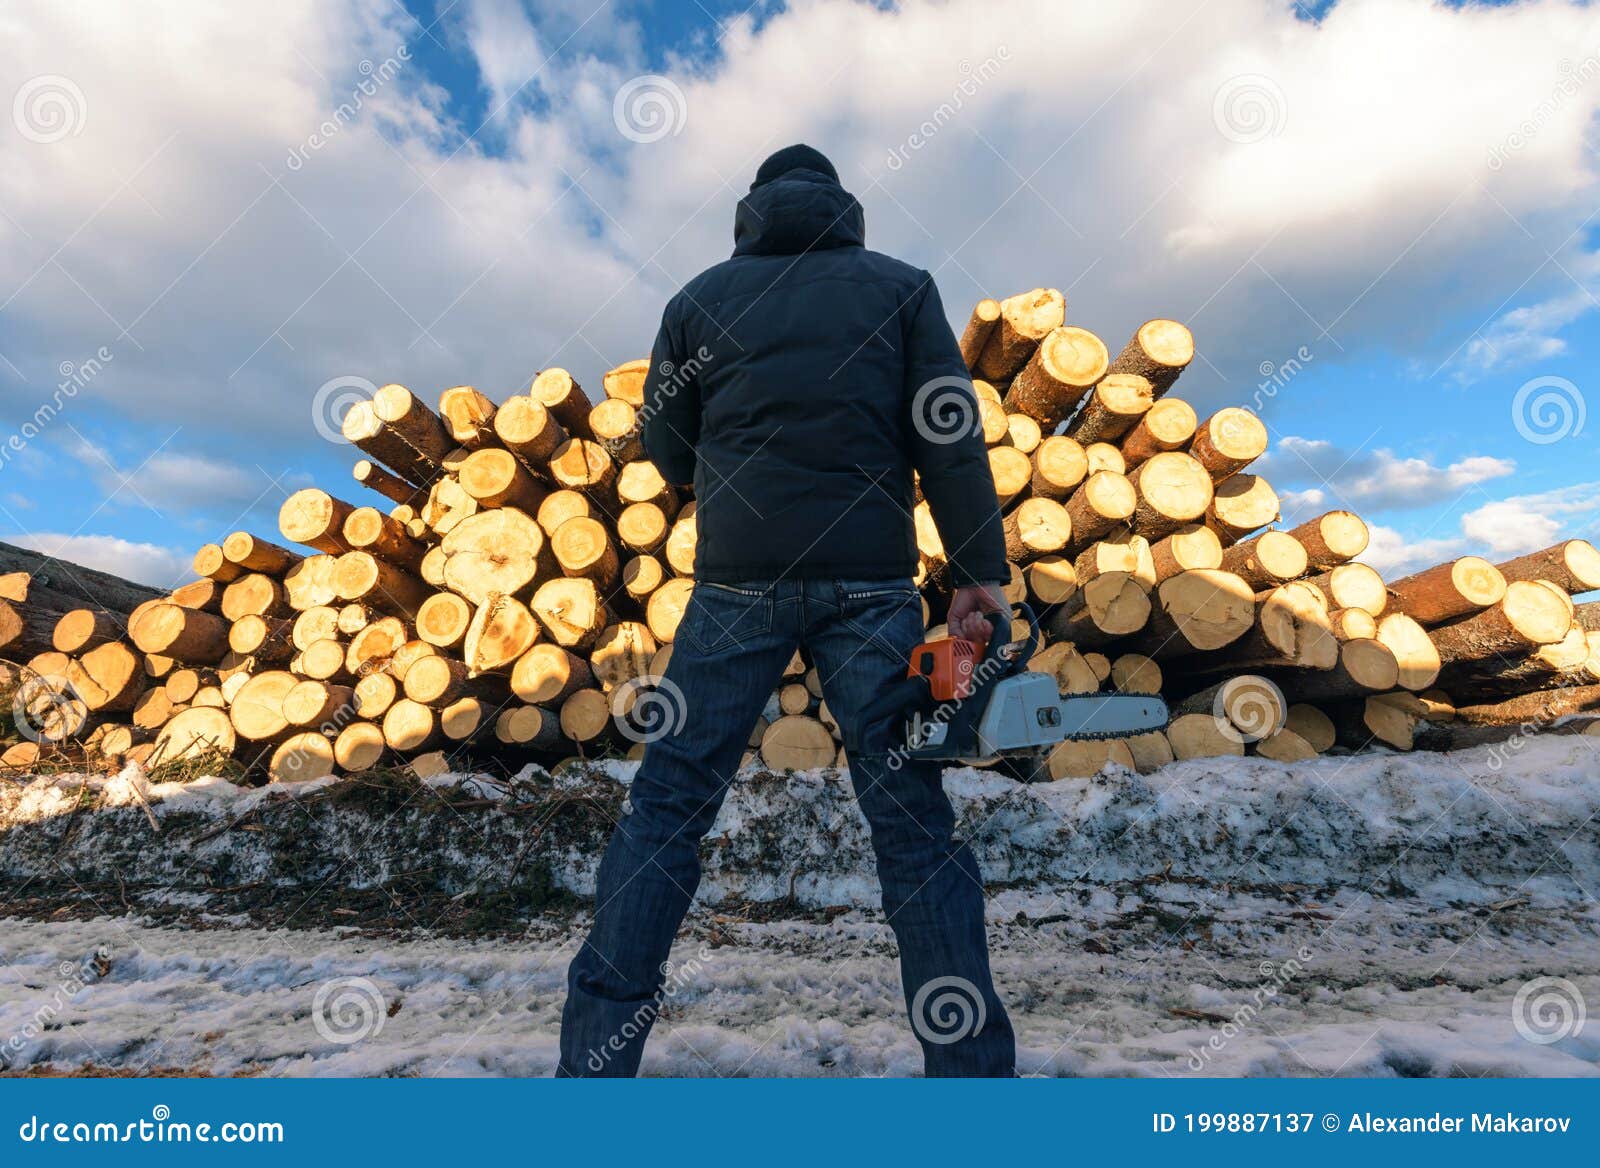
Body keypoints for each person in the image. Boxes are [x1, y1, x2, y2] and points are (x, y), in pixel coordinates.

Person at [557, 144, 1016, 1077]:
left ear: (752, 206)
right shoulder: (901, 288)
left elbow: (667, 446)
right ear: (842, 206)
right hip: (872, 587)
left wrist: (715, 471)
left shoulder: (698, 301)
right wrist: (977, 568)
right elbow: (948, 430)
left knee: (668, 809)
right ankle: (971, 1083)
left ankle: (590, 1078)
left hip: (736, 586)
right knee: (911, 820)